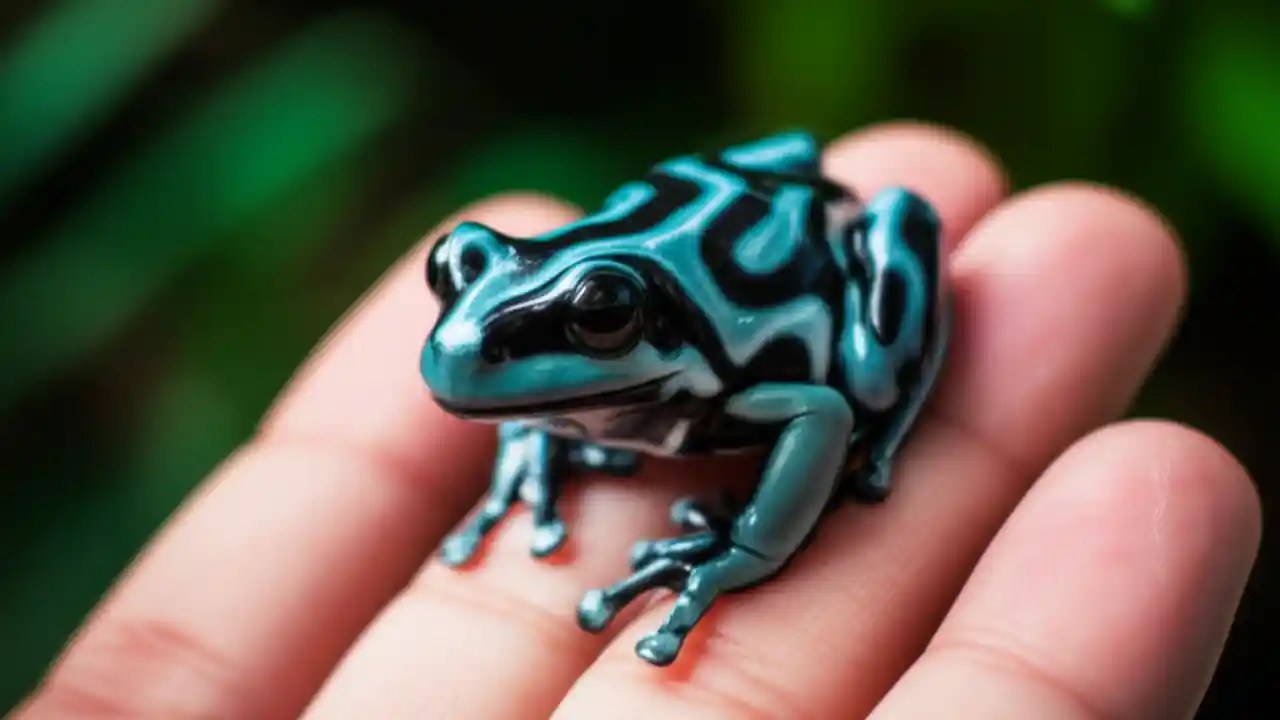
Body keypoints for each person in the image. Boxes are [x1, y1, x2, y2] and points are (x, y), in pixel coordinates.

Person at [13, 122, 1261, 719]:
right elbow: (520, 346)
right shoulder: (546, 350)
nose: (460, 340)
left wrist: (748, 548)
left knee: (867, 381)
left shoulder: (704, 365)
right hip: (695, 222)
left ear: (627, 327)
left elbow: (818, 404)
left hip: (789, 252)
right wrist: (529, 435)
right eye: (462, 276)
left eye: (593, 321)